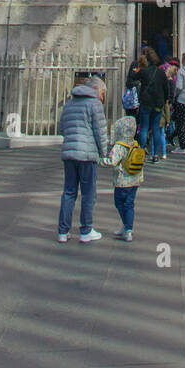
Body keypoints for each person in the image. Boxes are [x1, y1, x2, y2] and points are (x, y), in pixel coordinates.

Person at [57, 74, 109, 243]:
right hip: (87, 154)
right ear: (96, 90)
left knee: (69, 192)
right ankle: (86, 230)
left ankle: (63, 231)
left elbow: (62, 128)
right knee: (88, 193)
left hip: (70, 153)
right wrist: (104, 153)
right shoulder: (94, 105)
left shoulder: (69, 104)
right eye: (102, 93)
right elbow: (100, 132)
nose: (103, 97)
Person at [105, 112, 145, 241]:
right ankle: (127, 227)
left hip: (122, 181)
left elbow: (112, 161)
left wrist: (99, 160)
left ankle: (127, 227)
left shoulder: (119, 146)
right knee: (129, 203)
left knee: (119, 202)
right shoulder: (135, 143)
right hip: (136, 179)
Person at [136, 48, 169, 163]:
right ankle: (155, 155)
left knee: (144, 128)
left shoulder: (144, 72)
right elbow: (166, 88)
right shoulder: (161, 73)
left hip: (146, 103)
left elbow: (133, 78)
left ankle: (141, 154)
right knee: (156, 129)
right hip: (158, 104)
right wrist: (165, 100)